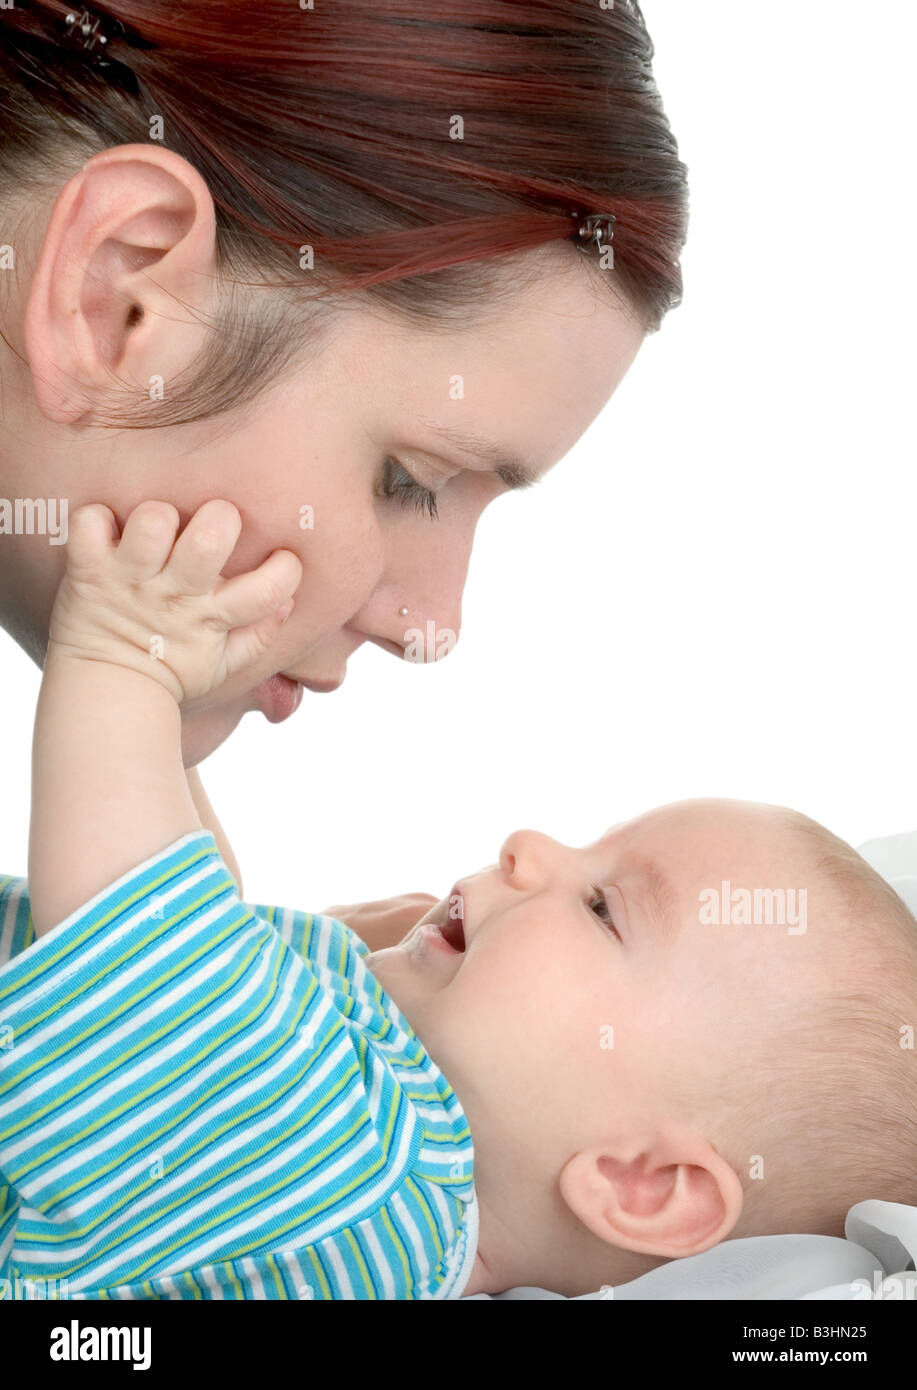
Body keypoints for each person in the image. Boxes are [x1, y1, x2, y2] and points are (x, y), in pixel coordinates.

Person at [2, 499, 914, 1300]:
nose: (527, 847)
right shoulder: (382, 1137)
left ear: (641, 1182)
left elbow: (142, 941)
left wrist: (124, 656)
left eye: (601, 907)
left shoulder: (361, 1176)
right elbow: (199, 943)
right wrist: (166, 726)